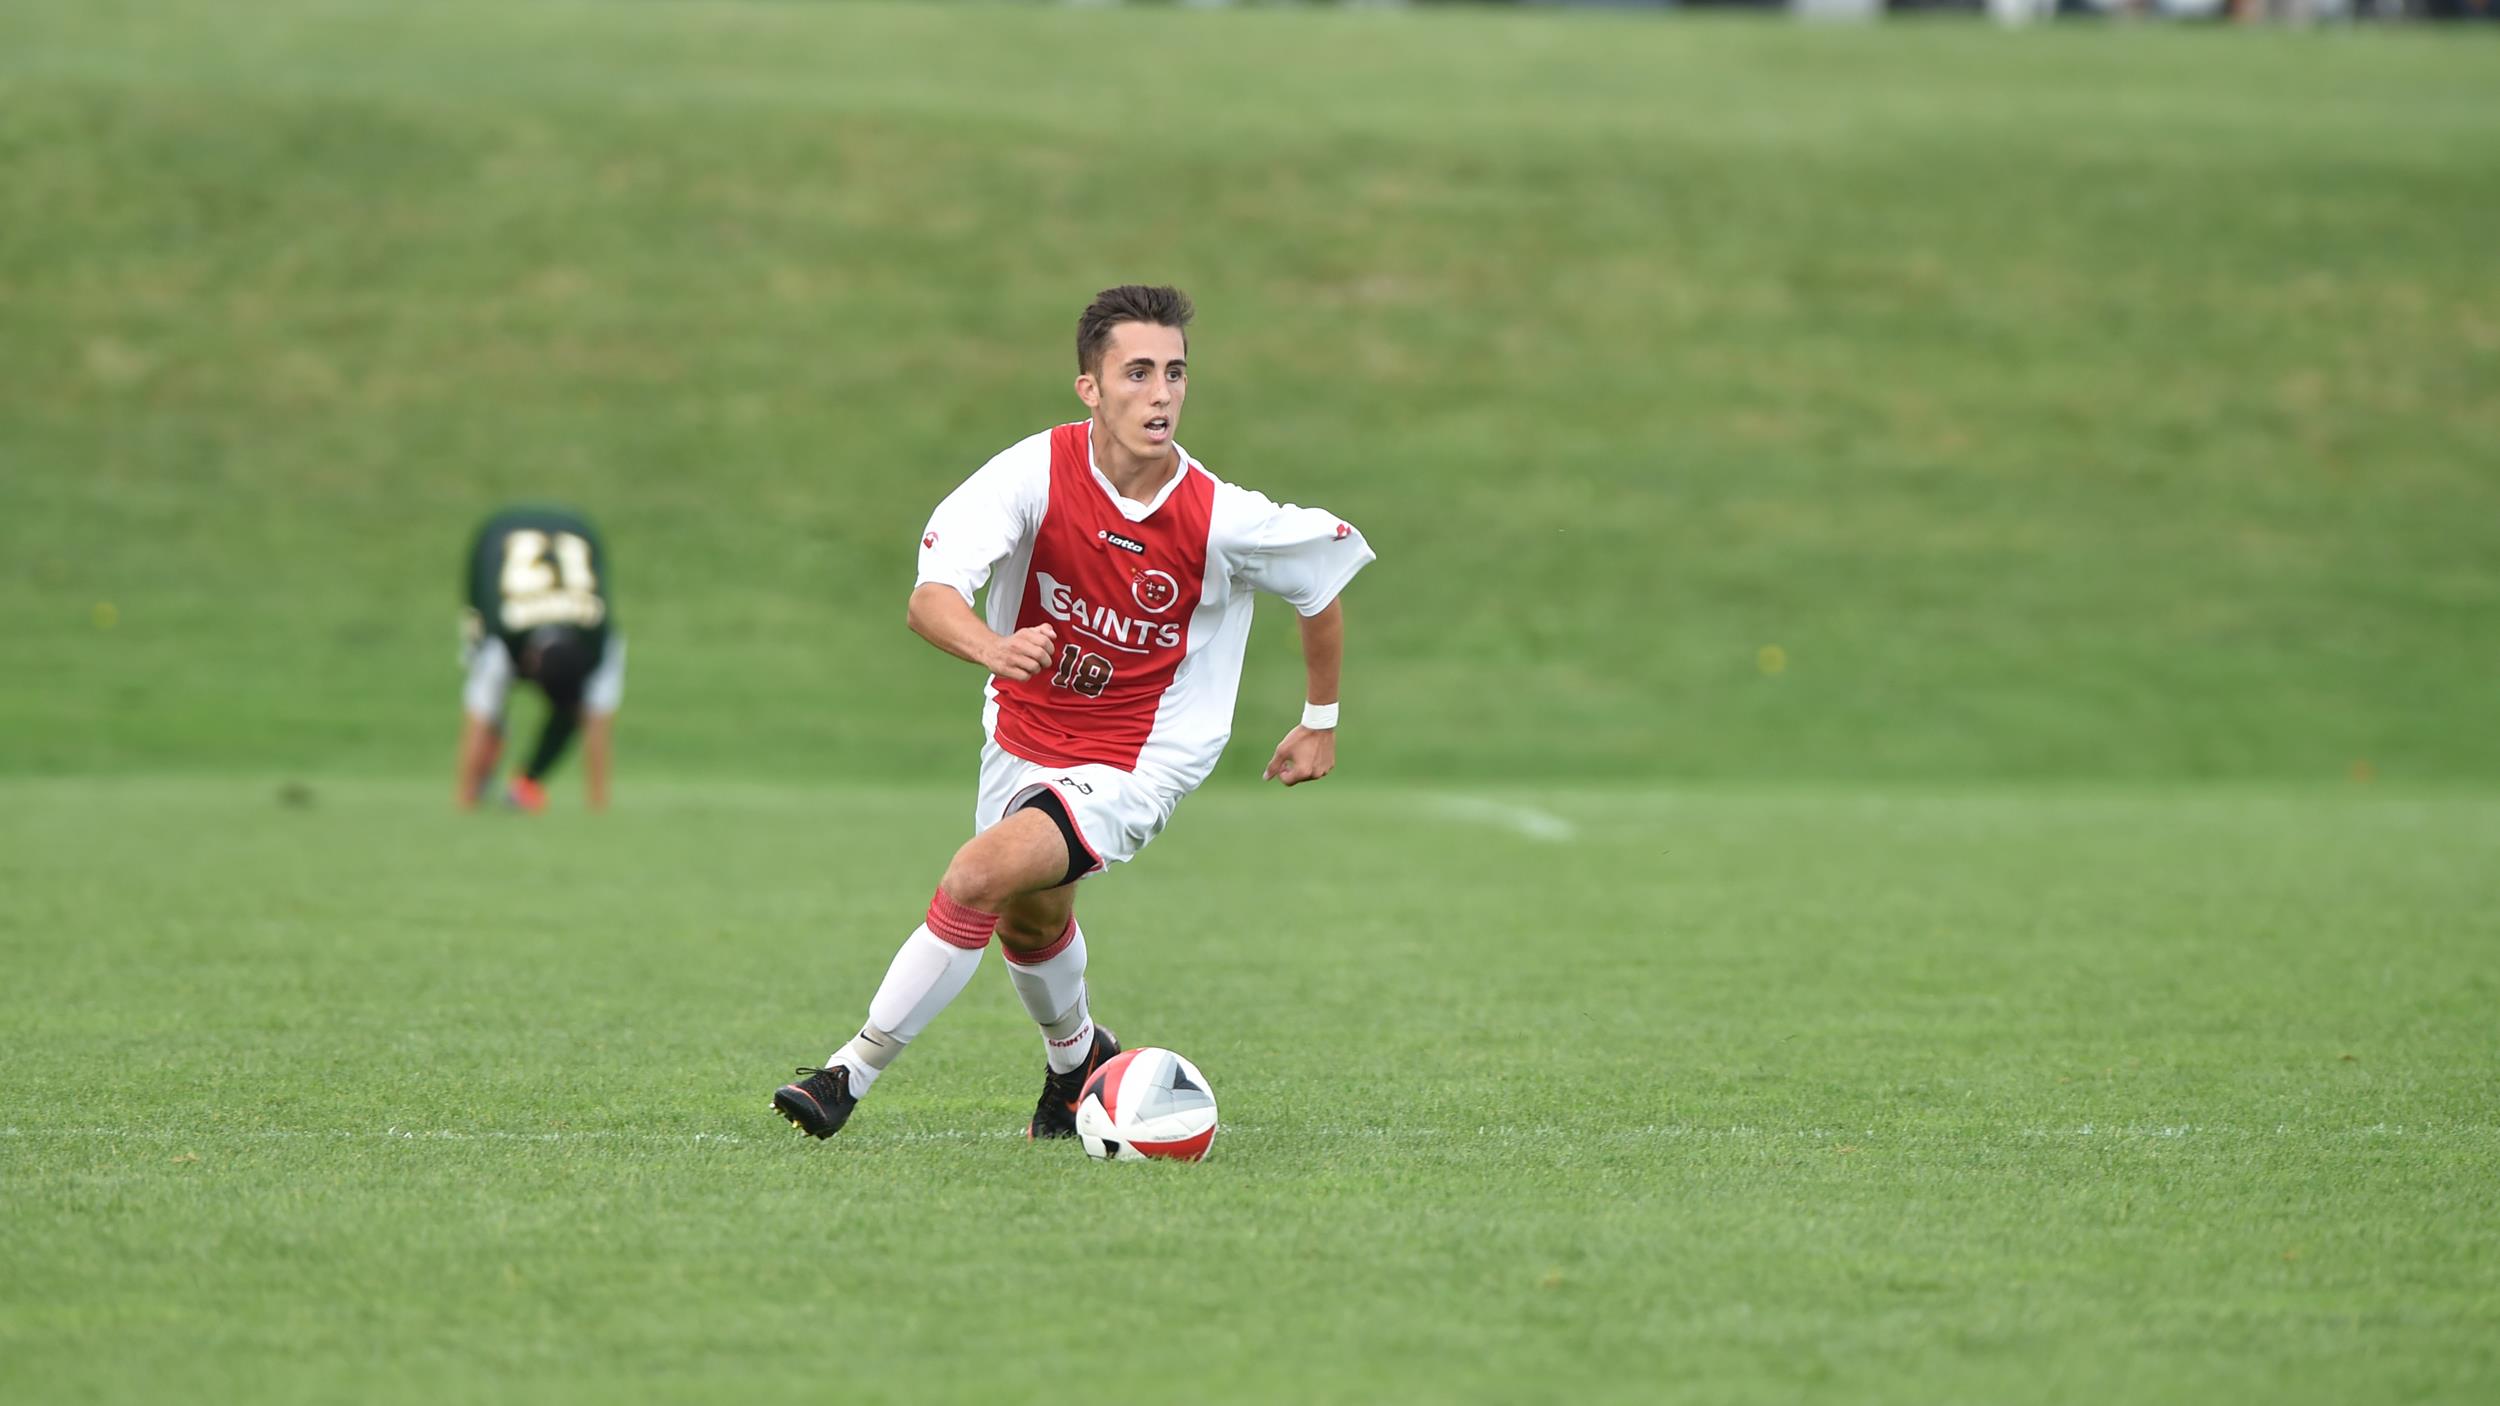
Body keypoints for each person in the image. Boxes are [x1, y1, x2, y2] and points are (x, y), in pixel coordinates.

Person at [774, 285, 1375, 1142]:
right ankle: (1076, 1064)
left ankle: (847, 1073)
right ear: (1089, 387)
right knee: (1032, 916)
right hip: (1022, 732)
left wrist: (1321, 717)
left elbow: (1321, 582)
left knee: (979, 876)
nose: (1160, 392)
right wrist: (991, 646)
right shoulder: (1030, 475)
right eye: (1136, 373)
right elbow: (931, 597)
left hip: (1143, 754)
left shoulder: (1223, 517)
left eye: (1175, 373)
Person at [454, 505, 625, 814]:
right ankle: (476, 788)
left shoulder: (599, 641)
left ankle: (525, 783)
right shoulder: (501, 638)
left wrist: (599, 809)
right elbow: (479, 715)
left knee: (547, 709)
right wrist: (464, 803)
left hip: (533, 577)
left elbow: (593, 715)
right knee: (491, 712)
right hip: (493, 557)